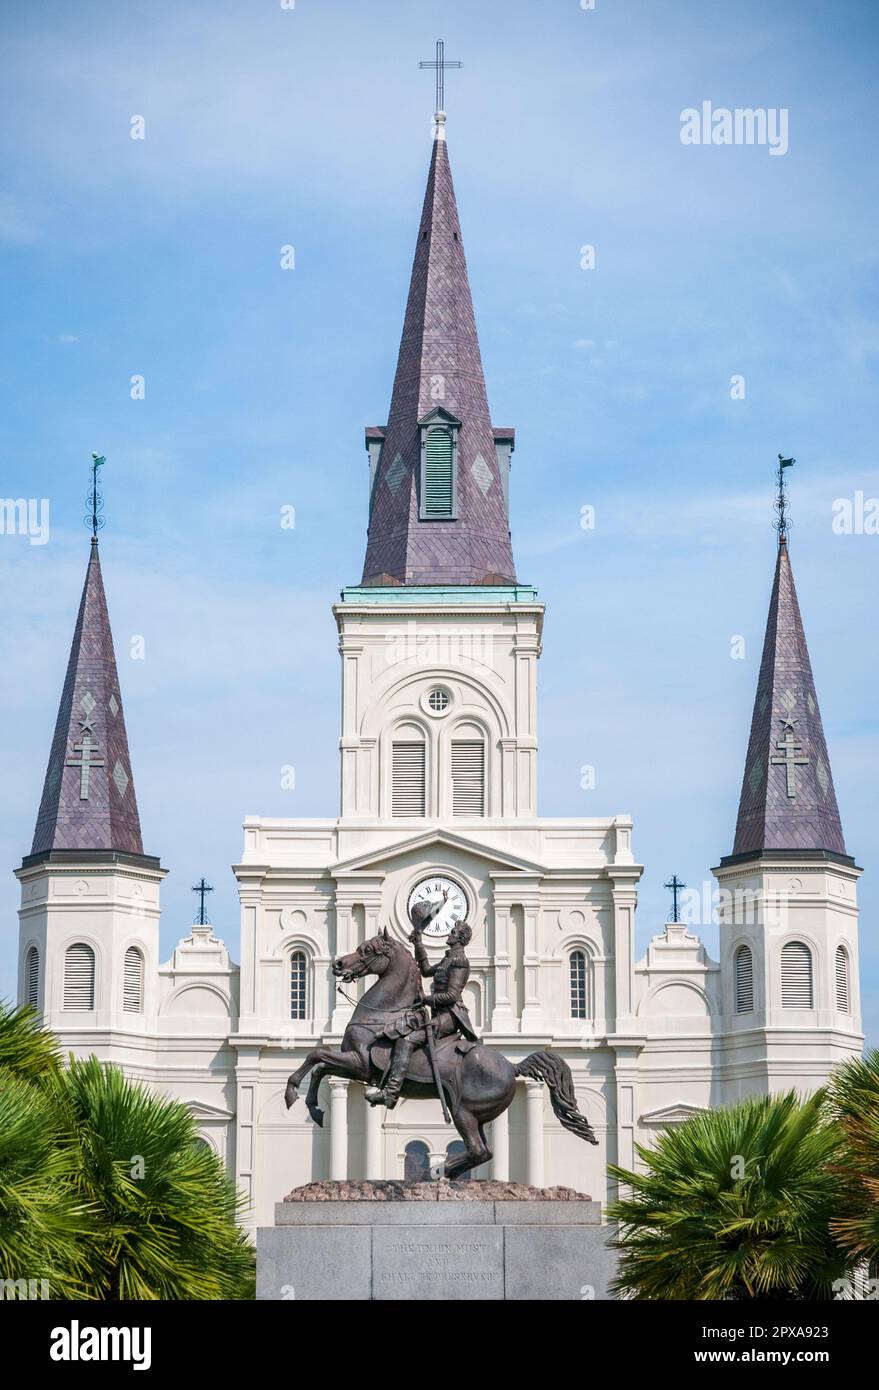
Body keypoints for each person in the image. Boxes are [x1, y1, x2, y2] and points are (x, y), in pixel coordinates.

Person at [366, 901, 477, 1110]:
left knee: (408, 1039)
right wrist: (418, 941)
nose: (449, 934)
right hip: (438, 1013)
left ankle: (390, 1093)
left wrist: (426, 999)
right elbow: (425, 970)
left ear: (460, 938)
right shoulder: (448, 960)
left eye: (453, 932)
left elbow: (452, 995)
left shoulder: (459, 961)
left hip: (450, 1016)